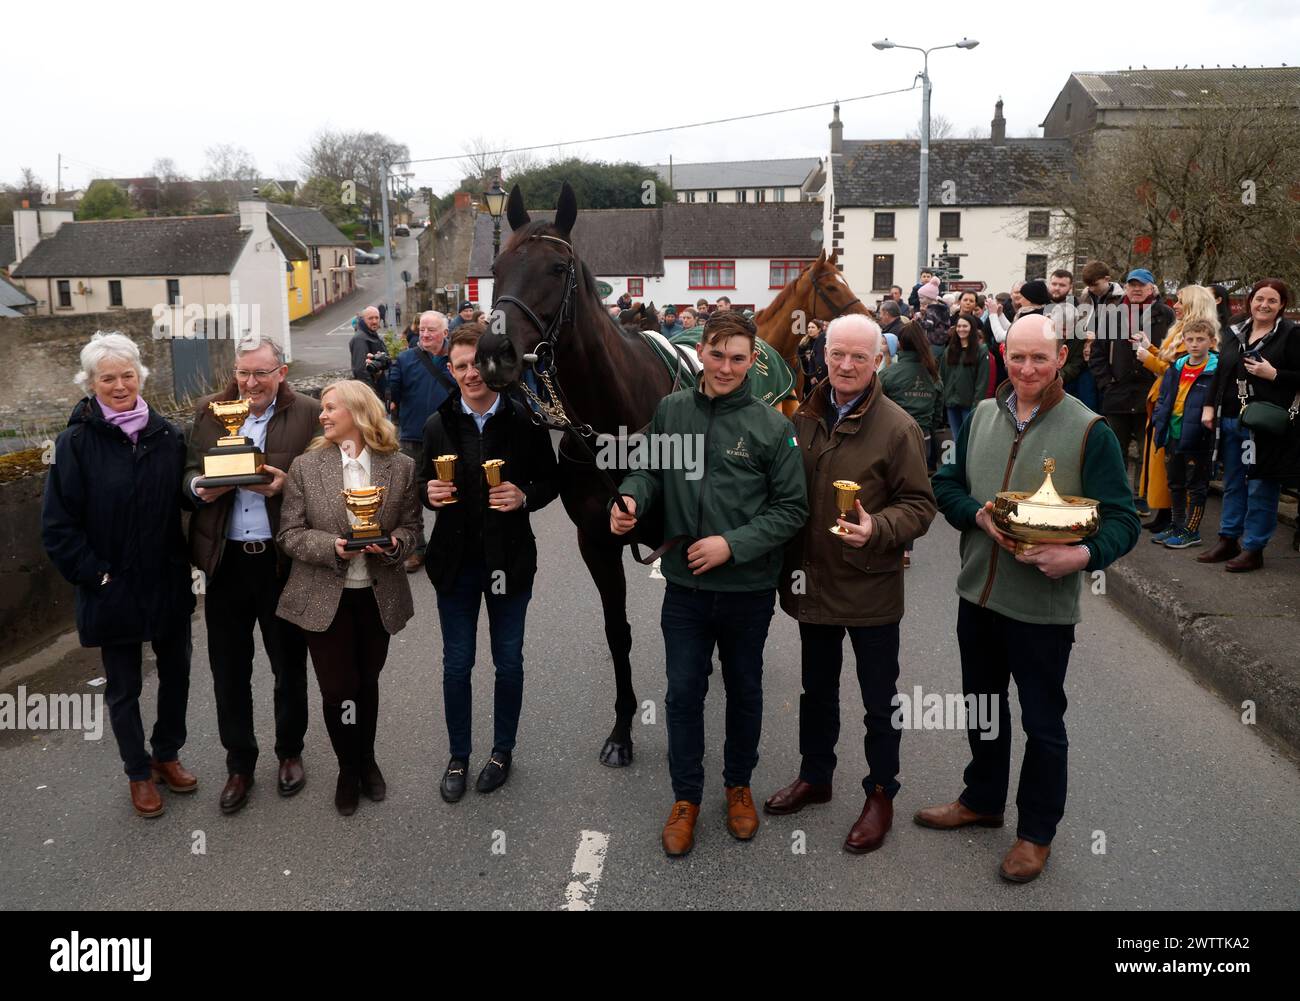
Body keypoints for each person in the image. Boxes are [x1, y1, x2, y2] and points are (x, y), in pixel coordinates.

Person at [922, 314, 1140, 883]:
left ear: (1060, 357)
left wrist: (1082, 557)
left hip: (1042, 610)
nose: (1026, 369)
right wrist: (979, 518)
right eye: (1017, 357)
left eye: (1039, 358)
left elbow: (1122, 519)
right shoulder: (979, 419)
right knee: (984, 708)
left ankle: (1035, 833)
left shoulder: (1091, 430)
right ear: (1005, 355)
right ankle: (983, 799)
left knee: (1043, 723)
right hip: (979, 595)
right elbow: (945, 487)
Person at [609, 312, 809, 858]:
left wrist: (733, 544)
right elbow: (647, 469)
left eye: (738, 358)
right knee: (682, 693)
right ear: (702, 353)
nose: (726, 367)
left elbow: (792, 509)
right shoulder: (672, 411)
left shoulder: (773, 427)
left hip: (747, 589)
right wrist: (627, 500)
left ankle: (738, 786)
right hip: (685, 589)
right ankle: (686, 797)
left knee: (745, 691)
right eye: (717, 354)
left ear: (753, 361)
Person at [767, 315, 936, 853]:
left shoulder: (898, 427)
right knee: (815, 691)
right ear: (823, 353)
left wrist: (878, 528)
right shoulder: (804, 417)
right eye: (837, 354)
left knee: (878, 701)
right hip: (813, 583)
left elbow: (920, 506)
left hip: (870, 586)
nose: (845, 365)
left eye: (859, 357)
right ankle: (815, 777)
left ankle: (881, 793)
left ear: (877, 362)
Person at [41, 332, 196, 818]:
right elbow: (57, 524)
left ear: (141, 378)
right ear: (90, 384)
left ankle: (166, 754)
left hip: (166, 579)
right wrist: (96, 575)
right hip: (112, 586)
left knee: (177, 675)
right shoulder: (76, 443)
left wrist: (204, 493)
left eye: (127, 375)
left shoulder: (167, 435)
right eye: (107, 378)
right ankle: (137, 771)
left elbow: (183, 499)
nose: (120, 384)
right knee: (124, 687)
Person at [419, 324, 560, 801]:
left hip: (510, 562)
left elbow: (550, 481)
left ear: (493, 365)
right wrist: (428, 493)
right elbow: (422, 482)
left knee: (508, 663)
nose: (471, 373)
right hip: (455, 564)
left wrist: (524, 495)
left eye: (478, 363)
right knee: (457, 664)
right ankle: (458, 755)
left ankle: (502, 751)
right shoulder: (438, 423)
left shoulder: (524, 420)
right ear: (450, 370)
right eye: (461, 365)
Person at [184, 336, 321, 814]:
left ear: (281, 372)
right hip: (225, 560)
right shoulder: (209, 411)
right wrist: (199, 487)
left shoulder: (309, 412)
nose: (250, 382)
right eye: (243, 372)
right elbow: (185, 472)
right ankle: (239, 762)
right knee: (228, 668)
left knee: (288, 663)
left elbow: (326, 479)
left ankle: (290, 752)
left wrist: (289, 485)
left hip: (281, 561)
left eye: (261, 373)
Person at [275, 381, 421, 815]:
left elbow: (413, 529)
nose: (322, 415)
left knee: (366, 684)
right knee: (339, 691)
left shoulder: (401, 467)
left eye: (330, 407)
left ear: (358, 411)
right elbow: (289, 534)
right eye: (321, 408)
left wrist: (394, 545)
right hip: (323, 598)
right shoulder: (306, 466)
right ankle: (347, 768)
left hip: (377, 598)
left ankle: (367, 759)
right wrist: (333, 547)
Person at [1198, 278, 1300, 572]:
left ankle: (1254, 547)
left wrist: (1275, 374)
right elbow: (1220, 371)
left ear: (1282, 305)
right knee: (1233, 483)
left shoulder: (1291, 335)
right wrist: (1208, 406)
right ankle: (1228, 538)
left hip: (1264, 425)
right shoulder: (1235, 331)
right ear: (1250, 301)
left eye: (1272, 301)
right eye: (1259, 299)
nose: (1263, 305)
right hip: (1231, 420)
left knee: (1260, 486)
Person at [1088, 269, 1174, 516]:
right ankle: (1117, 497)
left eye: (1142, 285)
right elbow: (1097, 355)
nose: (1136, 289)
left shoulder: (1165, 315)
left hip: (1150, 394)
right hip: (1117, 393)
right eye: (1132, 285)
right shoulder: (1111, 315)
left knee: (1148, 451)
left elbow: (1170, 353)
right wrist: (1107, 383)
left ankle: (1142, 497)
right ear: (1125, 288)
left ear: (1152, 289)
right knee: (1116, 449)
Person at [1133, 285, 1218, 535]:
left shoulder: (1197, 334)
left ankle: (1184, 526)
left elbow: (1170, 369)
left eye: (1180, 301)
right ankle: (1171, 519)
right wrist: (1149, 348)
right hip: (1170, 410)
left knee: (1186, 477)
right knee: (1171, 473)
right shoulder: (1183, 329)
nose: (1176, 306)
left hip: (1185, 416)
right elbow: (1172, 363)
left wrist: (1147, 357)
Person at [387, 310, 455, 572]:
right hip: (412, 438)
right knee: (411, 498)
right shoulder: (405, 359)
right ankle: (416, 549)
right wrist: (383, 381)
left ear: (445, 333)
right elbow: (393, 391)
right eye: (422, 329)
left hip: (448, 438)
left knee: (445, 495)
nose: (425, 334)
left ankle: (446, 546)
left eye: (431, 330)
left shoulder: (455, 359)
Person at [1151, 319, 1219, 548]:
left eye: (1200, 339)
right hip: (1172, 432)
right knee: (1175, 483)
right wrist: (1159, 417)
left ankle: (1192, 530)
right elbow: (1164, 397)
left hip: (1197, 437)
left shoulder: (1214, 370)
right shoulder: (1177, 366)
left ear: (1212, 341)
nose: (1195, 344)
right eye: (1190, 339)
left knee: (1196, 485)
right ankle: (1177, 524)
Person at [940, 314, 991, 442]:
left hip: (969, 404)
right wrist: (944, 398)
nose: (961, 329)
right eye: (959, 326)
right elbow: (942, 376)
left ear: (972, 328)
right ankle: (958, 462)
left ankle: (969, 462)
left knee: (969, 439)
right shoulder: (949, 350)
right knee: (956, 438)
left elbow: (982, 380)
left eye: (965, 326)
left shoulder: (981, 350)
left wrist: (976, 404)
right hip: (951, 402)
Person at [349, 305, 389, 402]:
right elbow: (361, 370)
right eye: (370, 318)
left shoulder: (371, 334)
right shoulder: (360, 339)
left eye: (377, 318)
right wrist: (373, 397)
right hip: (372, 395)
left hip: (379, 390)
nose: (374, 321)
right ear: (363, 320)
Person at [914, 280, 950, 357]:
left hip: (934, 340)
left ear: (929, 297)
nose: (920, 300)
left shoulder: (931, 310)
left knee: (932, 360)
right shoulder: (943, 308)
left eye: (921, 298)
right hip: (943, 339)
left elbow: (928, 325)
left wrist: (919, 319)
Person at [797, 318, 828, 398]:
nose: (810, 330)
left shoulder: (824, 341)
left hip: (818, 375)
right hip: (805, 374)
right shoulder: (804, 343)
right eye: (809, 327)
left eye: (813, 327)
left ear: (819, 329)